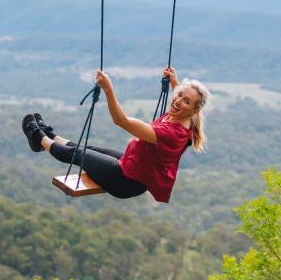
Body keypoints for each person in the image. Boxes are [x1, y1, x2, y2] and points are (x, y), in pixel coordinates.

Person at [22, 65, 208, 202]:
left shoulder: (172, 134)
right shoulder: (186, 116)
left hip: (126, 181)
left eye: (186, 101)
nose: (178, 101)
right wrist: (175, 82)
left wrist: (108, 89)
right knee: (89, 148)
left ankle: (37, 137)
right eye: (179, 94)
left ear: (194, 110)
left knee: (78, 154)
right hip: (137, 165)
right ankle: (50, 135)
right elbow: (181, 97)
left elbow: (122, 121)